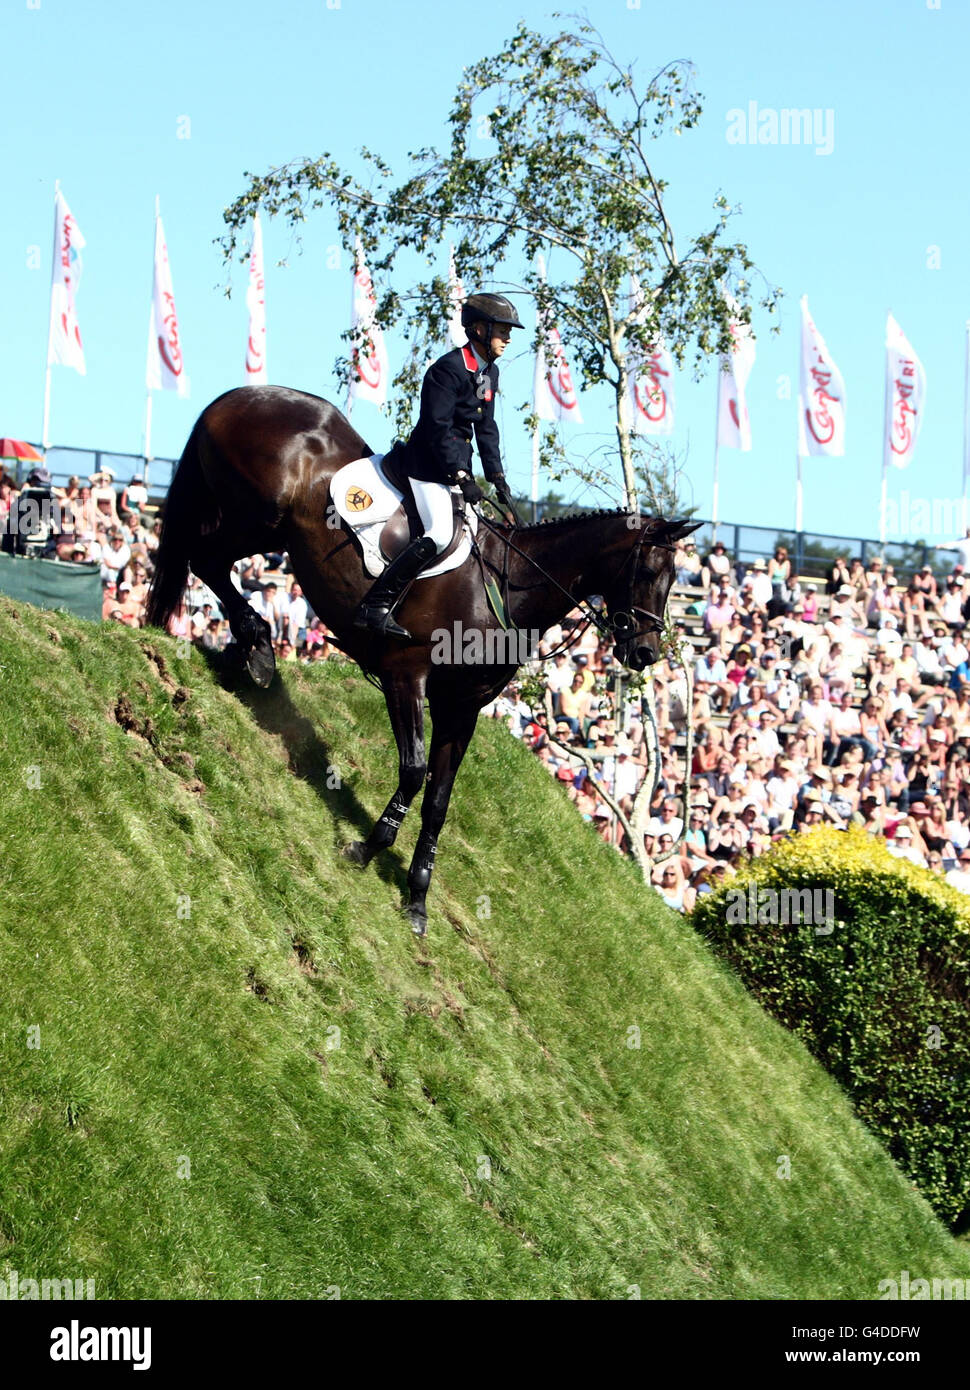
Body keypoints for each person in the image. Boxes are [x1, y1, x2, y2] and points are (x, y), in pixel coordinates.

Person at [354, 291, 524, 638]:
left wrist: (497, 475)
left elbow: (486, 427)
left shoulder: (489, 372)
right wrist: (461, 475)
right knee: (440, 532)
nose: (508, 338)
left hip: (455, 465)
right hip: (428, 466)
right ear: (478, 329)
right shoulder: (447, 370)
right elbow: (438, 427)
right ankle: (376, 605)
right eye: (502, 330)